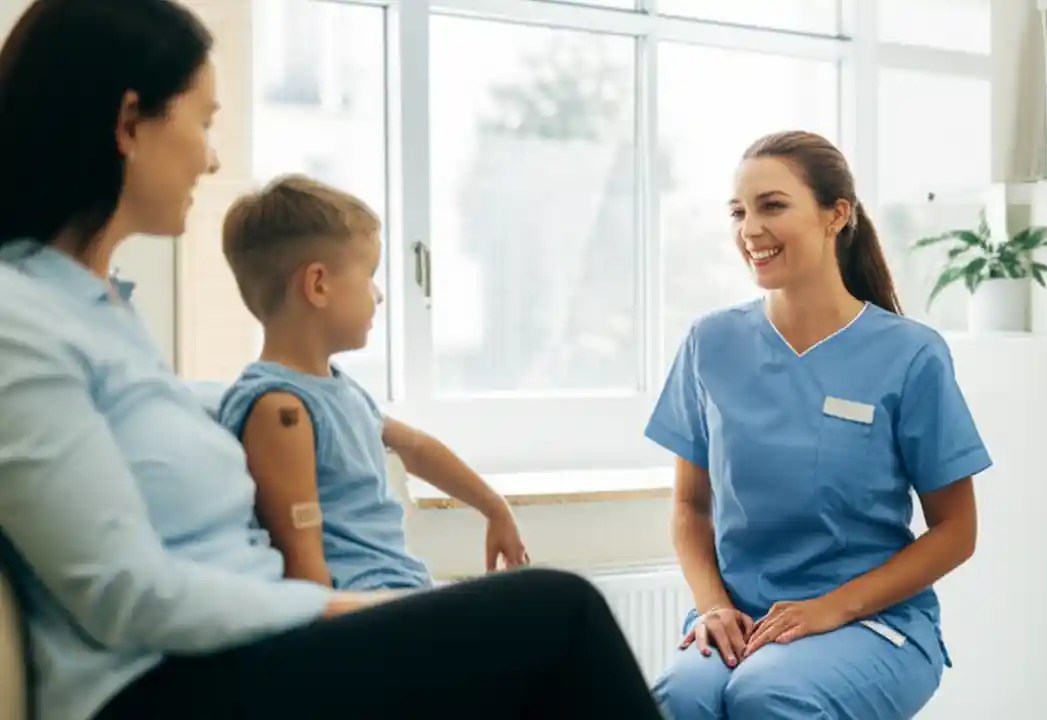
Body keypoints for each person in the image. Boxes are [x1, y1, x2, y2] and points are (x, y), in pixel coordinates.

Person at [0, 2, 660, 719]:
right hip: (160, 687)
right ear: (131, 123)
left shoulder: (106, 314)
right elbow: (121, 593)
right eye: (205, 120)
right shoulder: (22, 318)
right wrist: (336, 609)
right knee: (557, 610)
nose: (212, 157)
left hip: (240, 654)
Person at [645, 130, 992, 719]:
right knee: (679, 697)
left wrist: (831, 608)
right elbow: (690, 508)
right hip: (739, 615)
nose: (749, 229)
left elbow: (956, 531)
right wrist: (712, 607)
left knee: (767, 695)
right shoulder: (711, 343)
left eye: (772, 206)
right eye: (738, 211)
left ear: (837, 215)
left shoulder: (910, 355)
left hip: (875, 622)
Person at [217, 174, 527, 591]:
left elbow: (417, 448)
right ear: (318, 284)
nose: (377, 295)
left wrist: (495, 508)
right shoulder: (280, 409)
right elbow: (306, 574)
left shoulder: (339, 391)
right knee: (558, 599)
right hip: (362, 609)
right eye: (369, 275)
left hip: (400, 593)